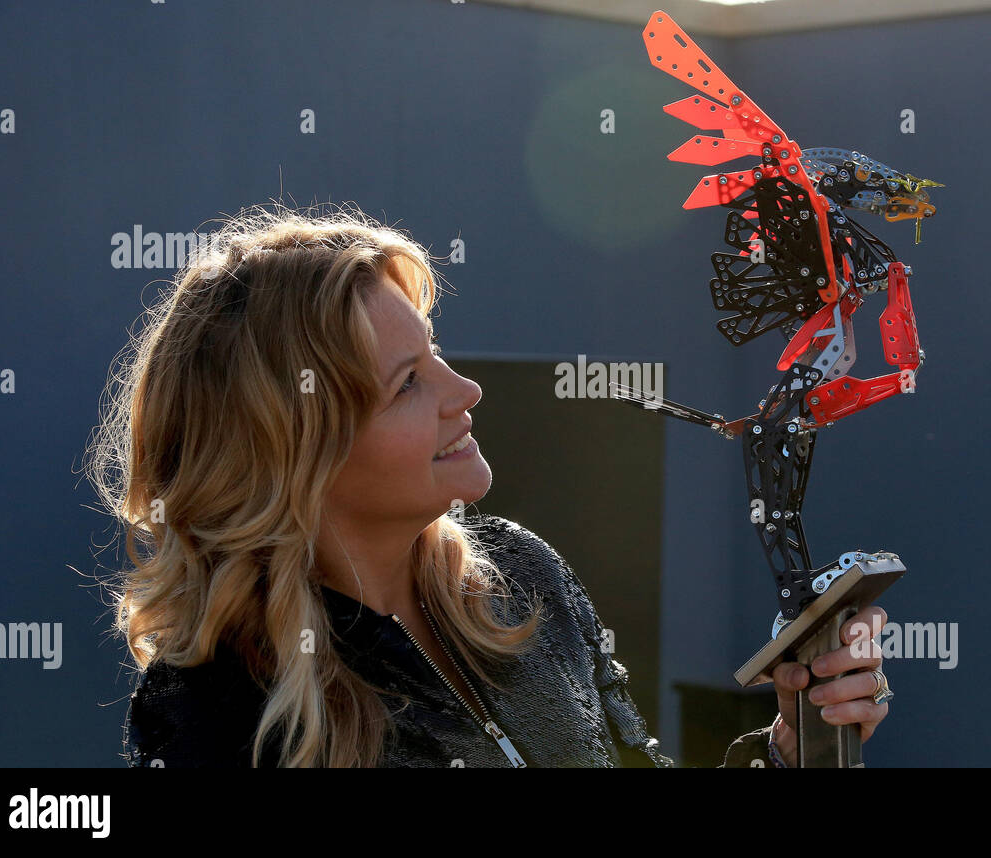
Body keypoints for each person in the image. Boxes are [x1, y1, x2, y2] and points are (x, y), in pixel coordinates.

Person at [85, 203, 890, 767]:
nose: (463, 390)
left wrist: (795, 743)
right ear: (295, 451)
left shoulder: (521, 576)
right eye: (407, 383)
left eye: (436, 351)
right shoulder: (212, 707)